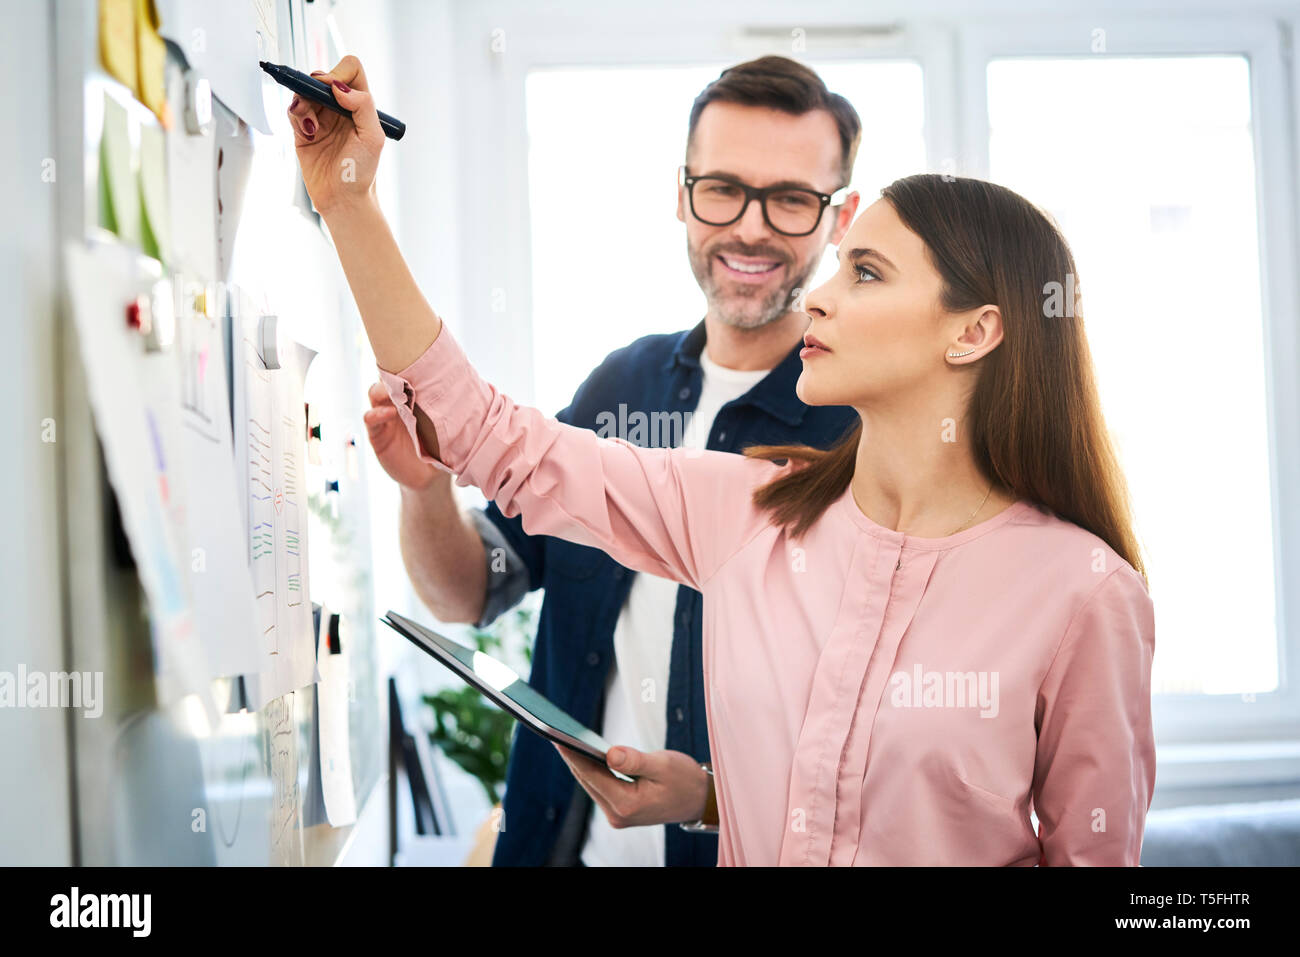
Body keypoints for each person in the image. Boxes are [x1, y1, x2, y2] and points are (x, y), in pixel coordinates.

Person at [291, 58, 1156, 866]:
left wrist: (709, 798)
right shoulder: (746, 509)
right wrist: (350, 202)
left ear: (973, 331)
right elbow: (487, 437)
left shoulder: (1082, 591)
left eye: (864, 272)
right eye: (724, 190)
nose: (816, 291)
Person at [353, 56, 862, 865]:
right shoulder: (621, 385)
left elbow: (884, 763)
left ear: (842, 217)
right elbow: (475, 586)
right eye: (723, 188)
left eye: (793, 199)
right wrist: (426, 490)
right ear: (683, 193)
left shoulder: (862, 435)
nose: (752, 227)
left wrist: (706, 796)